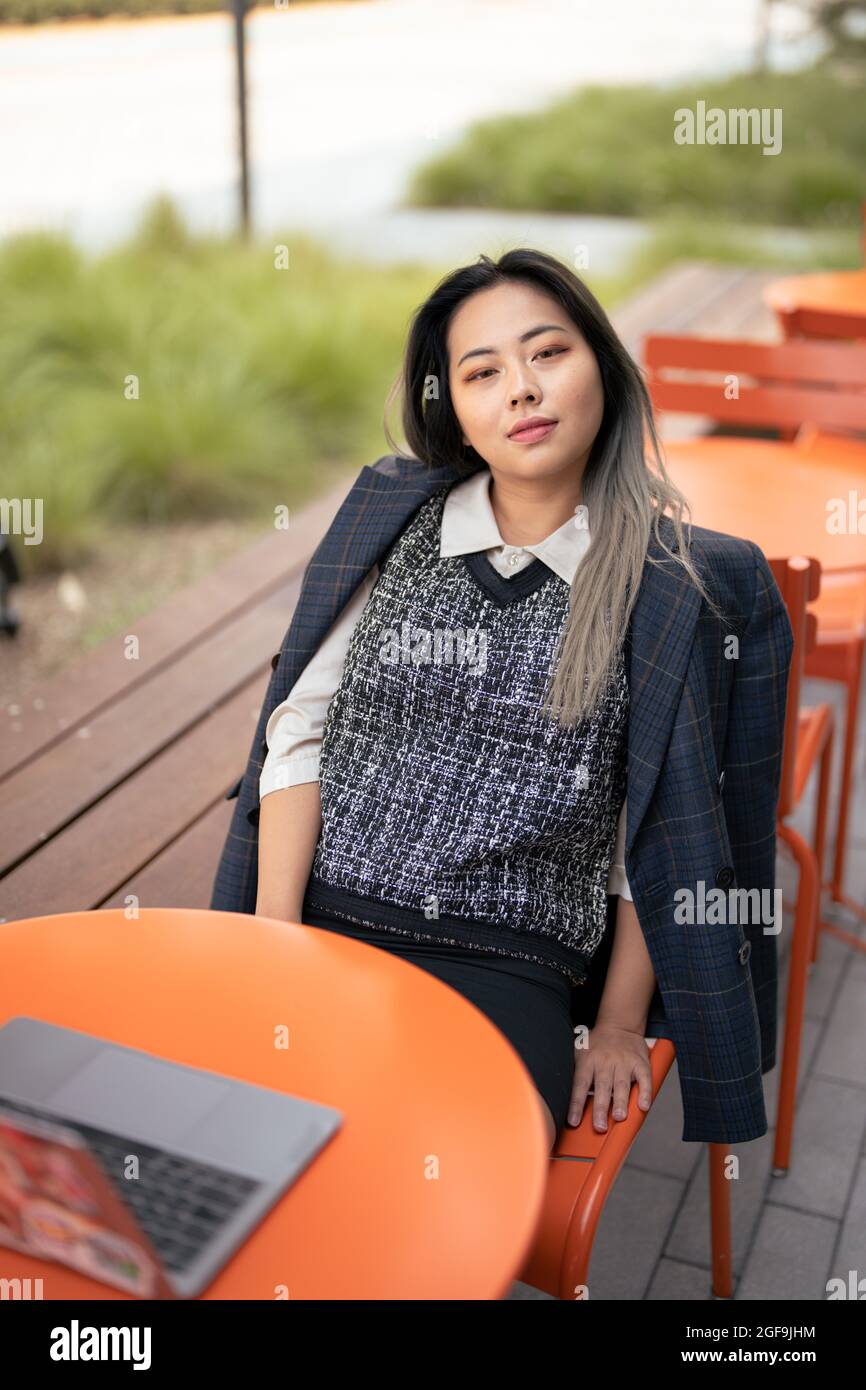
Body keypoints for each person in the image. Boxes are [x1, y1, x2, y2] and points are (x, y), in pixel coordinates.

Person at [211, 248, 794, 1153]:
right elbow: (300, 732)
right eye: (482, 372)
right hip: (326, 920)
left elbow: (664, 826)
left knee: (427, 1169)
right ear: (452, 407)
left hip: (510, 963)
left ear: (601, 363)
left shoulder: (672, 581)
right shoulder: (395, 518)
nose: (521, 390)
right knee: (248, 1137)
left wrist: (616, 1020)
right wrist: (275, 941)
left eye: (548, 353)